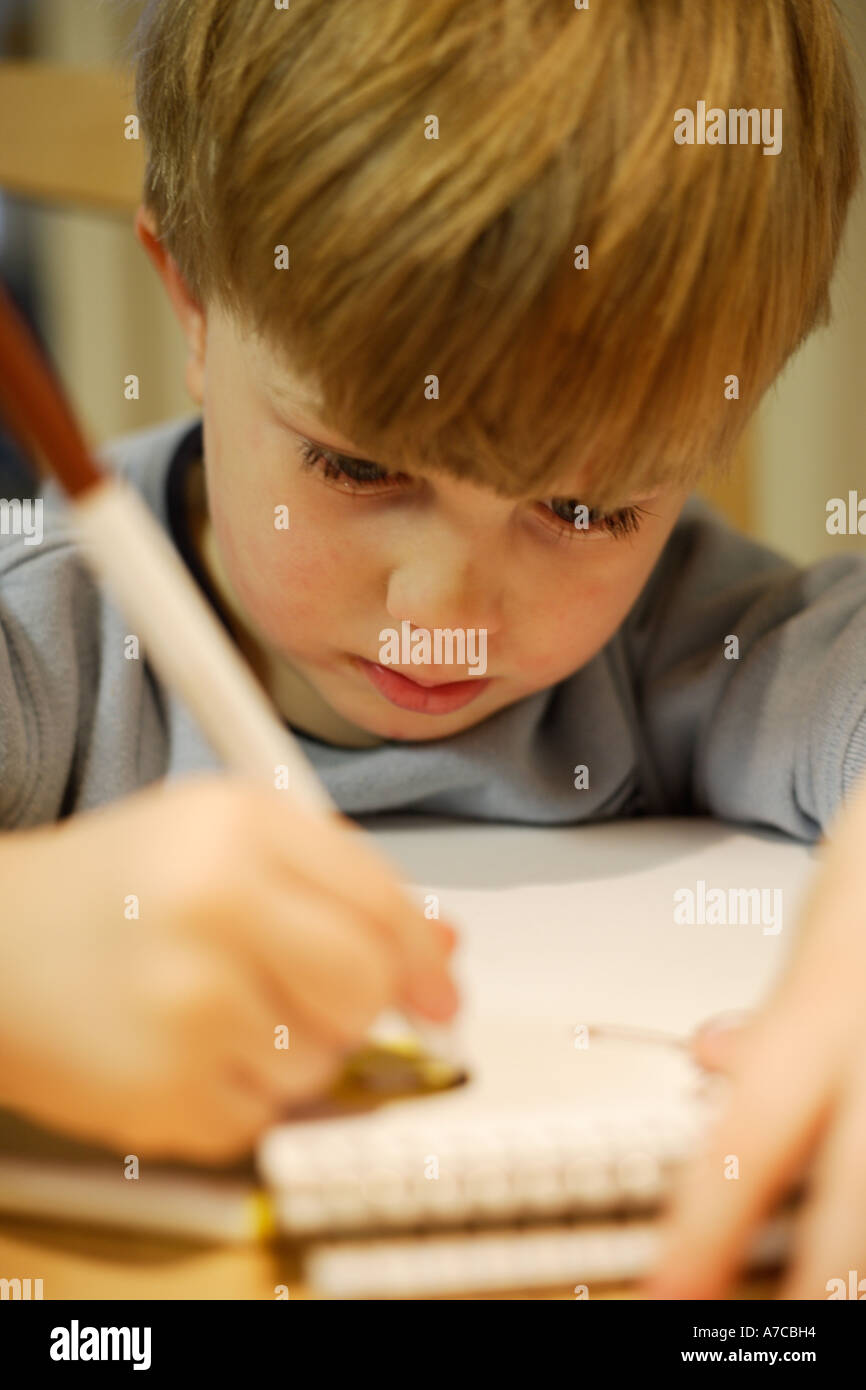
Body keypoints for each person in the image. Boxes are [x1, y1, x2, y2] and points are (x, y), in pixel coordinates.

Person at [0, 0, 863, 1299]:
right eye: (355, 466)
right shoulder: (46, 645)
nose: (443, 610)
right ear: (189, 300)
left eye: (583, 510)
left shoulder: (688, 632)